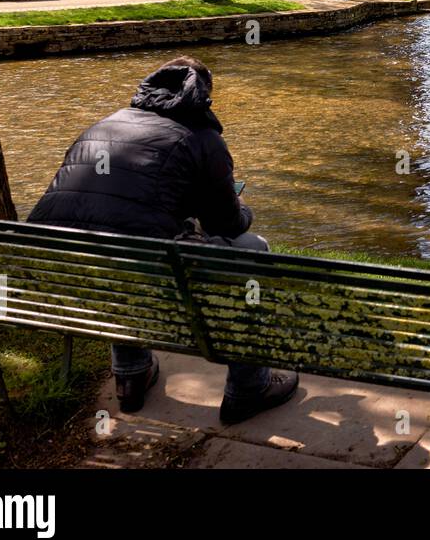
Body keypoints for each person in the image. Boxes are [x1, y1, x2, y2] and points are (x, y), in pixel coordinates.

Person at [27, 57, 299, 423]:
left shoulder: (103, 125)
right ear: (204, 97)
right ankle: (249, 387)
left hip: (58, 277)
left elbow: (113, 203)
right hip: (144, 274)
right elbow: (228, 226)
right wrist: (241, 206)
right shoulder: (203, 139)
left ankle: (131, 373)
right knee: (253, 251)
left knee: (119, 248)